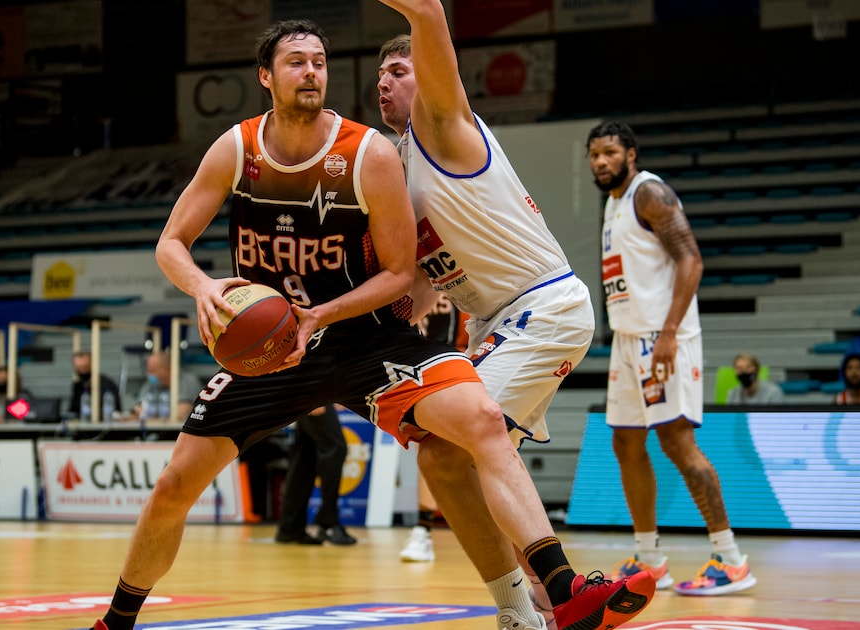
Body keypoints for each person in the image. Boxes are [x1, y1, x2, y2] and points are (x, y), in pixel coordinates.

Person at [89, 20, 652, 630]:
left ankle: (554, 592)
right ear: (265, 76)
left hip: (364, 338)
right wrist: (201, 287)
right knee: (174, 485)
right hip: (272, 347)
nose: (310, 72)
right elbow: (171, 241)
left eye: (320, 62)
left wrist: (324, 314)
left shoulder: (369, 152)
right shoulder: (238, 148)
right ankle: (115, 621)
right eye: (296, 62)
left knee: (479, 423)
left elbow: (397, 271)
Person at [376, 4, 638, 627]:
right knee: (455, 460)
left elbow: (431, 13)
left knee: (447, 452)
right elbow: (412, 280)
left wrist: (418, 21)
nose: (384, 82)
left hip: (541, 307)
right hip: (500, 321)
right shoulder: (400, 165)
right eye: (379, 76)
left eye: (398, 69)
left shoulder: (443, 123)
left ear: (427, 78)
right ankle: (549, 608)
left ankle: (536, 603)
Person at [588, 120, 757, 596]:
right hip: (627, 338)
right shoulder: (613, 201)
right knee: (625, 442)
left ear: (631, 154)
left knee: (676, 443)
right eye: (594, 155)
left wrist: (667, 333)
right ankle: (650, 560)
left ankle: (731, 559)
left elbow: (691, 260)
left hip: (662, 337)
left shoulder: (649, 193)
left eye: (609, 153)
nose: (601, 162)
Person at [401, 295, 465, 563]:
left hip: (457, 363)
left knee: (489, 451)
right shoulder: (400, 273)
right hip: (414, 368)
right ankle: (422, 528)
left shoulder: (457, 276)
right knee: (430, 445)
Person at [274, 405, 356, 546]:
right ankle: (327, 523)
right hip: (312, 391)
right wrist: (313, 399)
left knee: (305, 456)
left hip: (311, 392)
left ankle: (290, 527)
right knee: (335, 448)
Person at [132, 351, 202, 424]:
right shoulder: (151, 383)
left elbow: (181, 412)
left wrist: (149, 412)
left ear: (168, 370)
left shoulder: (188, 381)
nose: (149, 375)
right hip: (153, 430)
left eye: (152, 371)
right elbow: (137, 409)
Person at [68, 351, 121, 420]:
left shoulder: (105, 384)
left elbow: (112, 410)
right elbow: (73, 410)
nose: (81, 371)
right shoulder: (78, 386)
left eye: (84, 367)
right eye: (78, 368)